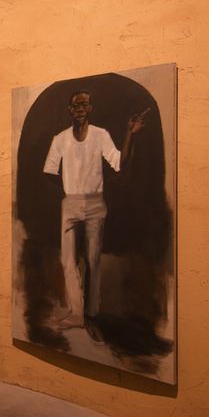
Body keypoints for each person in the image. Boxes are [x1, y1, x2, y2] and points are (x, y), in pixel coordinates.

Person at [42, 91, 146, 332]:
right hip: (70, 203)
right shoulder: (60, 139)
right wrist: (71, 189)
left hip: (95, 203)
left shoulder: (101, 135)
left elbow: (120, 163)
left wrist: (130, 133)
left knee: (92, 259)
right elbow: (48, 170)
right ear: (70, 110)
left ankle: (91, 312)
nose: (79, 108)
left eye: (84, 104)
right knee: (68, 260)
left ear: (90, 108)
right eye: (75, 104)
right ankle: (76, 314)